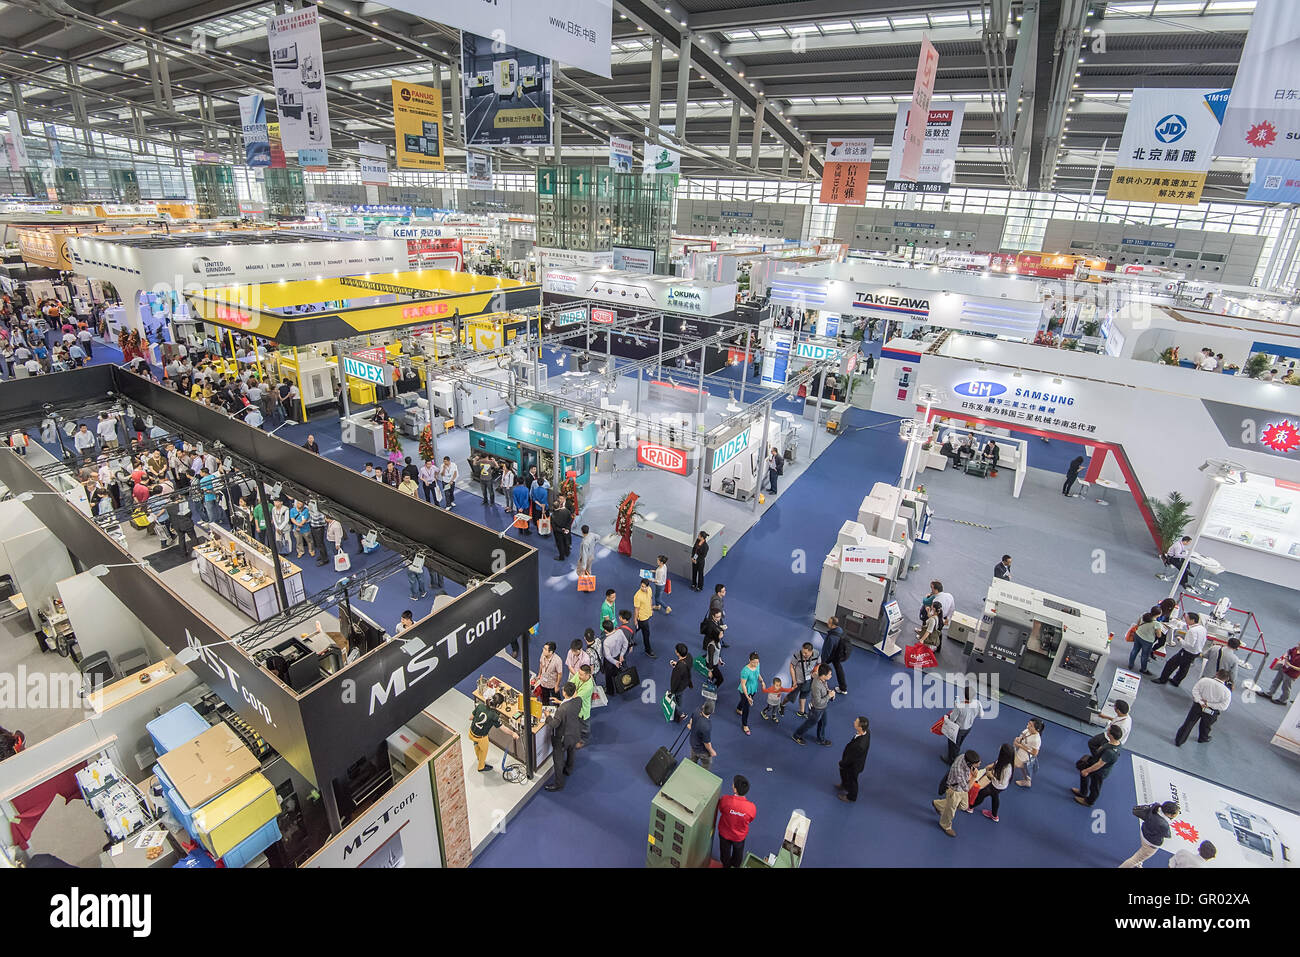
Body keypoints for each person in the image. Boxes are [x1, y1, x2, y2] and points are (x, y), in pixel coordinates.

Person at [1175, 669, 1232, 747]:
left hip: (1198, 706)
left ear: (1217, 674)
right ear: (1227, 679)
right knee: (1206, 725)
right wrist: (1208, 704)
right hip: (1211, 711)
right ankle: (1203, 738)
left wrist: (1201, 702)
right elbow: (1224, 706)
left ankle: (1179, 740)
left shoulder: (1205, 680)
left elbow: (1195, 690)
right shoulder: (1227, 692)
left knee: (1189, 723)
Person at [543, 682, 581, 791]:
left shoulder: (561, 710)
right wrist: (560, 702)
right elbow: (570, 708)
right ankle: (568, 770)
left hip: (562, 738)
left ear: (564, 693)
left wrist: (548, 716)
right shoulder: (578, 701)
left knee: (558, 761)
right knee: (571, 752)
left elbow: (554, 724)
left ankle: (558, 784)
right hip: (574, 733)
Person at [1072, 724, 1123, 807]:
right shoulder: (1117, 743)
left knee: (1095, 786)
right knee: (1083, 774)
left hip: (1100, 772)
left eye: (1108, 731)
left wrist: (1087, 770)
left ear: (1111, 735)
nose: (1107, 731)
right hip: (1096, 763)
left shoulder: (1110, 752)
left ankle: (1089, 801)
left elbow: (1099, 764)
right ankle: (1083, 792)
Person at [934, 749, 980, 837]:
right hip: (954, 790)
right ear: (970, 763)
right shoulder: (958, 771)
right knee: (951, 811)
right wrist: (974, 777)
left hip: (961, 786)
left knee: (964, 806)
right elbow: (966, 788)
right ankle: (945, 825)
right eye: (977, 763)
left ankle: (938, 804)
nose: (979, 764)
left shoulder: (963, 757)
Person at [1153, 611, 1207, 687]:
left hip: (1188, 652)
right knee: (1184, 667)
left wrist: (1180, 639)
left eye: (1187, 619)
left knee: (1171, 663)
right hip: (1196, 652)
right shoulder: (1202, 628)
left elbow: (1189, 645)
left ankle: (1162, 679)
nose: (1185, 620)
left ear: (1192, 620)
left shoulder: (1192, 631)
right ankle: (1176, 681)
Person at [1120, 801, 1180, 868]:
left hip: (1144, 832)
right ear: (1169, 814)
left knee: (1140, 854)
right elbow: (1167, 835)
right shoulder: (1163, 825)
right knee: (1135, 860)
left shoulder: (1155, 807)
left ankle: (1139, 861)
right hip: (1150, 844)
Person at [468, 693, 518, 773]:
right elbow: (503, 728)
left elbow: (470, 718)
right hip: (481, 737)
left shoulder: (480, 706)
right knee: (484, 751)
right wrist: (513, 733)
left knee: (476, 745)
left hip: (471, 733)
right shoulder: (494, 716)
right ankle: (481, 766)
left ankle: (478, 757)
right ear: (498, 705)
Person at [715, 775, 757, 868]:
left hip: (724, 833)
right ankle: (736, 865)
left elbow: (721, 809)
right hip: (739, 836)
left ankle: (726, 865)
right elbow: (750, 819)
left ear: (735, 789)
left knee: (725, 852)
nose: (732, 785)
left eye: (733, 784)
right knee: (738, 853)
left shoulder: (725, 800)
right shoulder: (751, 807)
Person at [792, 664, 836, 747]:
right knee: (809, 724)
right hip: (816, 709)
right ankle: (796, 735)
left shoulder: (821, 679)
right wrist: (829, 696)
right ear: (823, 675)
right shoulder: (816, 686)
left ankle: (820, 739)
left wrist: (829, 692)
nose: (831, 676)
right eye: (829, 674)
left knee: (823, 723)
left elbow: (814, 674)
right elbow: (818, 702)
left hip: (823, 707)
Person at [970, 742, 1015, 823]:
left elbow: (1002, 781)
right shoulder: (1004, 760)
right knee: (995, 797)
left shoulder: (1007, 769)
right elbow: (997, 763)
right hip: (997, 785)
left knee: (982, 794)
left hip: (997, 786)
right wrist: (991, 766)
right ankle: (994, 815)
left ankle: (970, 807)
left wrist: (991, 776)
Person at [941, 686, 983, 765]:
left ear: (965, 695)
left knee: (953, 742)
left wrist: (954, 708)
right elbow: (981, 715)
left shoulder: (959, 706)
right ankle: (956, 750)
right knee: (960, 741)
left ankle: (951, 759)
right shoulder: (978, 703)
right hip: (968, 727)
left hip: (958, 729)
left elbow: (952, 719)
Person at [834, 716, 871, 804]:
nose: (854, 722)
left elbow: (850, 759)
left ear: (860, 727)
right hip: (854, 761)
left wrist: (842, 763)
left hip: (853, 766)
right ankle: (844, 785)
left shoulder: (859, 746)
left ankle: (851, 797)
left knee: (852, 780)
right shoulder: (867, 732)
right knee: (844, 773)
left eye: (856, 722)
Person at [784, 642, 821, 717]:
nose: (803, 654)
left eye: (806, 653)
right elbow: (791, 667)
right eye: (803, 652)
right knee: (791, 696)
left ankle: (801, 711)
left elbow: (819, 664)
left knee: (804, 695)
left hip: (809, 680)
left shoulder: (817, 654)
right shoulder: (797, 655)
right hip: (798, 680)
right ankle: (782, 704)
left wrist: (816, 671)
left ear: (811, 651)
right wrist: (794, 681)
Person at [820, 616, 849, 694]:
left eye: (829, 623)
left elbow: (827, 651)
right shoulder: (840, 630)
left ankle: (821, 686)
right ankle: (843, 688)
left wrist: (823, 662)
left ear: (833, 625)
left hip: (833, 654)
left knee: (822, 668)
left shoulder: (831, 637)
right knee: (839, 669)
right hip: (838, 654)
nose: (827, 623)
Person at [1012, 717, 1043, 788]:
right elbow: (1023, 737)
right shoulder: (1028, 730)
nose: (1028, 726)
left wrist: (1020, 746)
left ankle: (1005, 777)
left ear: (1037, 729)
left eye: (1031, 725)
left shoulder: (1036, 740)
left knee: (1012, 764)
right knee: (1023, 768)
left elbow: (1035, 753)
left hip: (1024, 757)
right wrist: (1018, 739)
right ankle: (1027, 781)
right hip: (1019, 752)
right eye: (1029, 723)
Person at [600, 623, 628, 697]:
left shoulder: (606, 641)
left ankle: (610, 691)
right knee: (618, 673)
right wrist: (622, 655)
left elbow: (608, 656)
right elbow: (626, 643)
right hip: (618, 656)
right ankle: (619, 688)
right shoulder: (620, 632)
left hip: (610, 662)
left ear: (605, 630)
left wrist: (615, 662)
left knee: (608, 676)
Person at [688, 700, 716, 769]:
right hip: (702, 750)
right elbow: (707, 743)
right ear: (712, 712)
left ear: (703, 706)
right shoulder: (706, 726)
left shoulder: (696, 710)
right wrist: (712, 751)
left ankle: (690, 770)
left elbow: (691, 722)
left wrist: (692, 728)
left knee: (692, 760)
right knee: (706, 764)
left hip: (693, 744)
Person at [571, 664, 595, 748]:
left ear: (587, 675)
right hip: (575, 708)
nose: (578, 675)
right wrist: (573, 691)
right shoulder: (579, 674)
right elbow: (570, 684)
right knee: (576, 723)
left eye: (581, 674)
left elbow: (575, 697)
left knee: (585, 727)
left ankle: (582, 741)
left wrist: (573, 691)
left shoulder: (588, 687)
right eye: (579, 673)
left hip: (583, 710)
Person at [632, 578, 657, 658]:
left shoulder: (649, 590)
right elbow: (636, 609)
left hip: (648, 614)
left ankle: (628, 639)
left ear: (648, 586)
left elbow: (650, 599)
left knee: (635, 629)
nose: (643, 588)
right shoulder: (637, 596)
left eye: (644, 587)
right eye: (642, 586)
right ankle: (648, 650)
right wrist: (635, 620)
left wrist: (651, 608)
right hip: (642, 618)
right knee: (646, 634)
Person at [535, 642, 563, 706]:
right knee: (544, 700)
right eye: (543, 648)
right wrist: (539, 674)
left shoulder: (557, 660)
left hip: (552, 684)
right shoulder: (543, 655)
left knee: (556, 700)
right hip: (543, 683)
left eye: (545, 649)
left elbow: (560, 674)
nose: (543, 650)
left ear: (550, 652)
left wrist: (557, 685)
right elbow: (541, 664)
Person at [551, 495, 573, 561]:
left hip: (558, 533)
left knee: (560, 545)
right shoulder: (567, 511)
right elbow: (570, 520)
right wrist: (567, 528)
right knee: (567, 542)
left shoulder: (553, 516)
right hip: (567, 531)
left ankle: (561, 557)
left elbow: (554, 528)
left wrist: (561, 530)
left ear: (553, 507)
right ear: (560, 505)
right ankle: (567, 553)